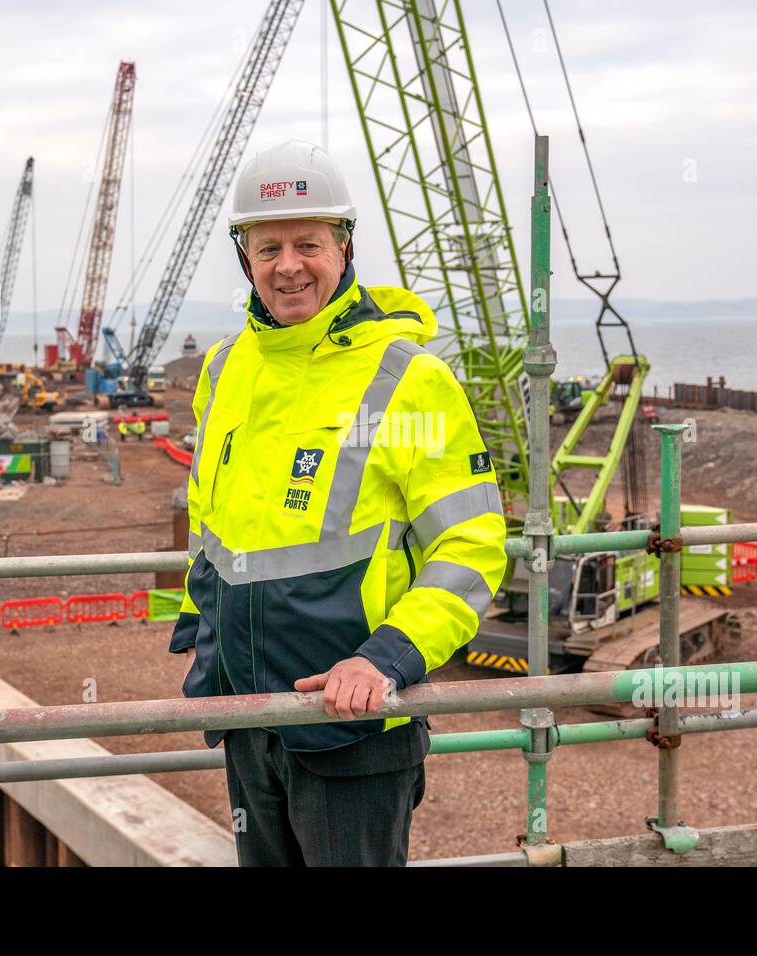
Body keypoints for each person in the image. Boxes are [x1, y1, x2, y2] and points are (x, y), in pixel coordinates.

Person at [167, 140, 507, 866]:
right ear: (244, 257)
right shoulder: (226, 369)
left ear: (344, 246)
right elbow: (209, 514)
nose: (288, 265)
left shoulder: (408, 378)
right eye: (268, 247)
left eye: (308, 244)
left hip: (350, 722)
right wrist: (202, 626)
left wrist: (385, 659)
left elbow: (471, 547)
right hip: (245, 712)